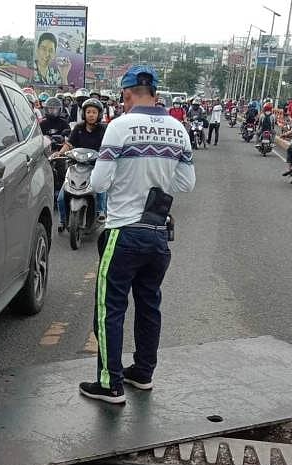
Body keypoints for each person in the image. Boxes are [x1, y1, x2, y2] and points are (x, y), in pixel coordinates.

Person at [79, 65, 196, 404]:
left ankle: (110, 384)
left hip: (124, 231)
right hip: (158, 233)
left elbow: (98, 183)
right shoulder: (178, 130)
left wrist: (127, 181)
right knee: (149, 304)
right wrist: (155, 181)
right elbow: (186, 184)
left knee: (109, 307)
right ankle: (143, 373)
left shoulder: (119, 127)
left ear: (127, 94)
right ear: (155, 94)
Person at [52, 98, 108, 231]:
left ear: (99, 114)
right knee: (61, 196)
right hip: (76, 166)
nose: (91, 114)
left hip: (96, 166)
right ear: (84, 113)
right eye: (88, 112)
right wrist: (59, 153)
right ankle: (62, 220)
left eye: (94, 112)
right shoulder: (78, 128)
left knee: (101, 188)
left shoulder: (103, 129)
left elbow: (108, 146)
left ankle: (100, 212)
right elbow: (69, 144)